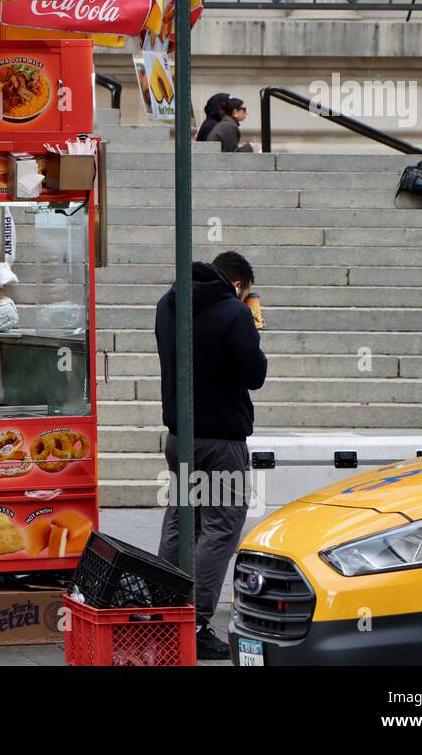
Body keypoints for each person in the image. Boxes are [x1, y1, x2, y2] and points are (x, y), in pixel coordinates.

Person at [155, 250, 267, 660]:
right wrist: (251, 325)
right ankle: (195, 622)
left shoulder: (167, 304)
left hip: (180, 435)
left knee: (181, 520)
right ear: (238, 286)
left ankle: (164, 610)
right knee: (220, 528)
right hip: (222, 441)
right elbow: (254, 375)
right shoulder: (234, 314)